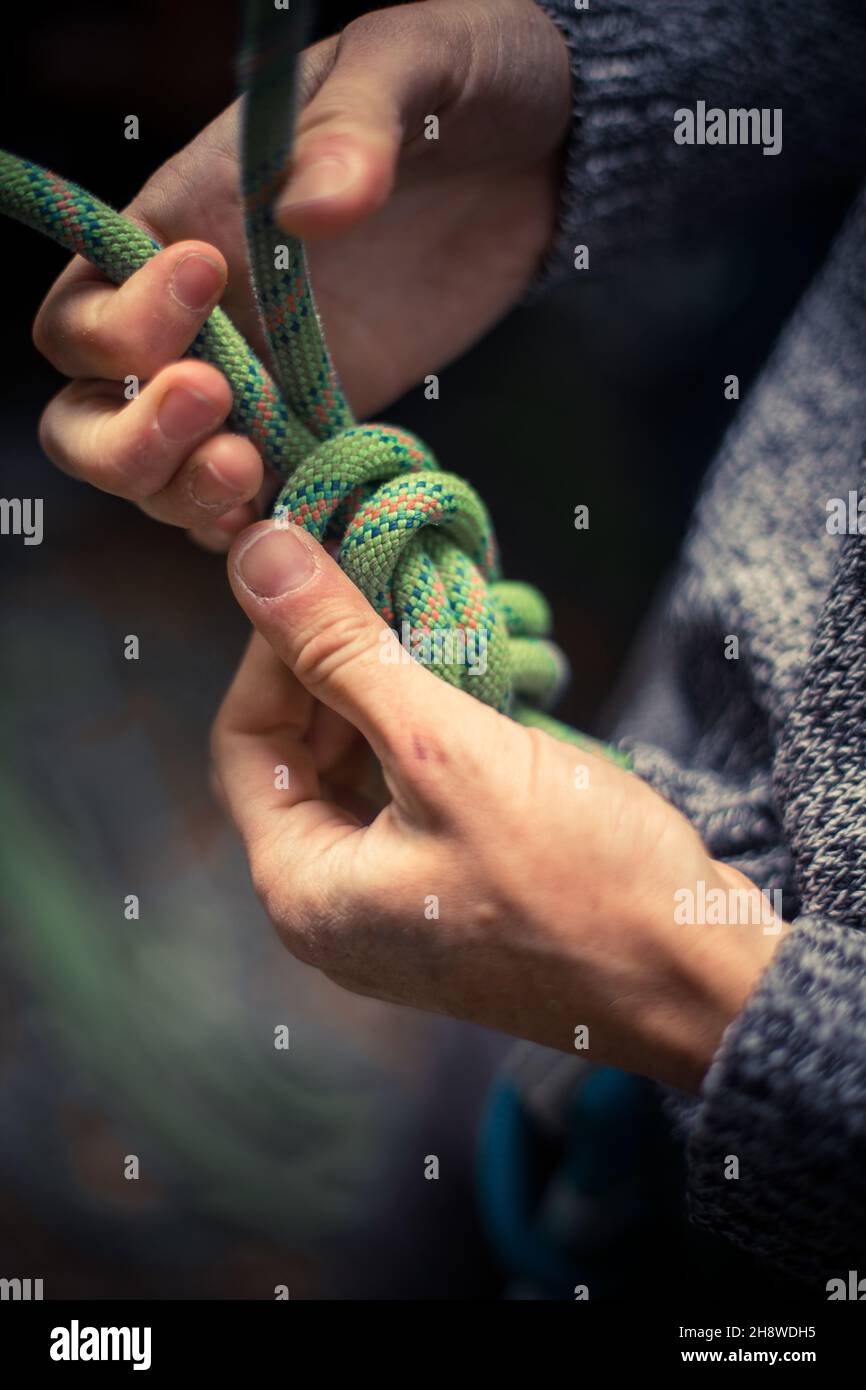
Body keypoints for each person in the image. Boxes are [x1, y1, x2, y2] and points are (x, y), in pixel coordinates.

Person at [31, 0, 866, 1291]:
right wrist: (585, 100)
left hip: (664, 1031)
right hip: (598, 833)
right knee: (440, 1191)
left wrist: (719, 1004)